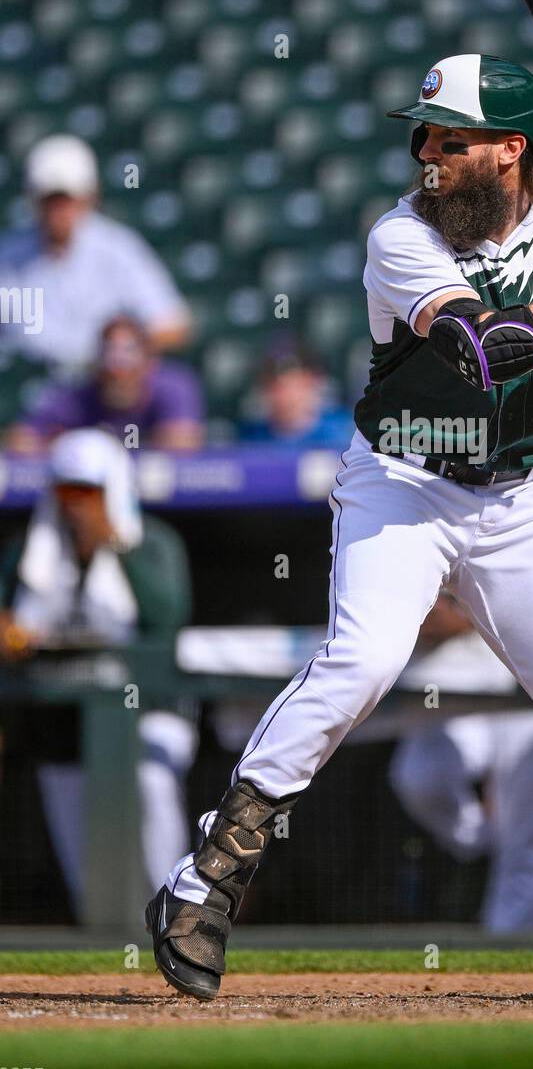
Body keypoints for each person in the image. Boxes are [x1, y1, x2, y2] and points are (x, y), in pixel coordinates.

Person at [146, 51, 533, 1003]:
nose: (427, 155)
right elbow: (487, 352)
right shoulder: (400, 237)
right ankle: (207, 874)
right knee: (364, 662)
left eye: (452, 141)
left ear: (512, 150)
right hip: (402, 479)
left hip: (520, 499)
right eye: (425, 137)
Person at [0, 430, 197, 913]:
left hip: (147, 707)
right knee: (72, 812)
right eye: (66, 491)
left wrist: (116, 544)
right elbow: (9, 617)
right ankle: (105, 931)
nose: (76, 505)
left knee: (150, 776)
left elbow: (168, 615)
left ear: (111, 489)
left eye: (87, 491)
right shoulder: (31, 549)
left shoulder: (152, 541)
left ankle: (175, 915)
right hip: (61, 721)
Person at [390, 591, 533, 933]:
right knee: (420, 776)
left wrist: (469, 614)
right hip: (452, 680)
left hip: (528, 687)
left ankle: (508, 946)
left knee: (527, 837)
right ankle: (481, 843)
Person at [0, 136, 191, 373]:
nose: (59, 210)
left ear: (88, 197)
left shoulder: (118, 248)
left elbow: (171, 324)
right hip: (30, 387)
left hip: (100, 388)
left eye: (66, 199)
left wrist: (118, 356)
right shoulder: (8, 254)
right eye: (50, 200)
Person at [5, 316, 205, 453]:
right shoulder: (79, 397)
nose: (118, 375)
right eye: (111, 369)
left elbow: (182, 443)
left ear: (148, 364)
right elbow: (20, 439)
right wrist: (65, 447)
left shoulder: (172, 386)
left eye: (128, 368)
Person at [238, 335, 353, 449]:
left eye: (291, 378)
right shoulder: (252, 438)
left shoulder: (343, 433)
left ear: (310, 379)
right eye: (273, 381)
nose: (282, 391)